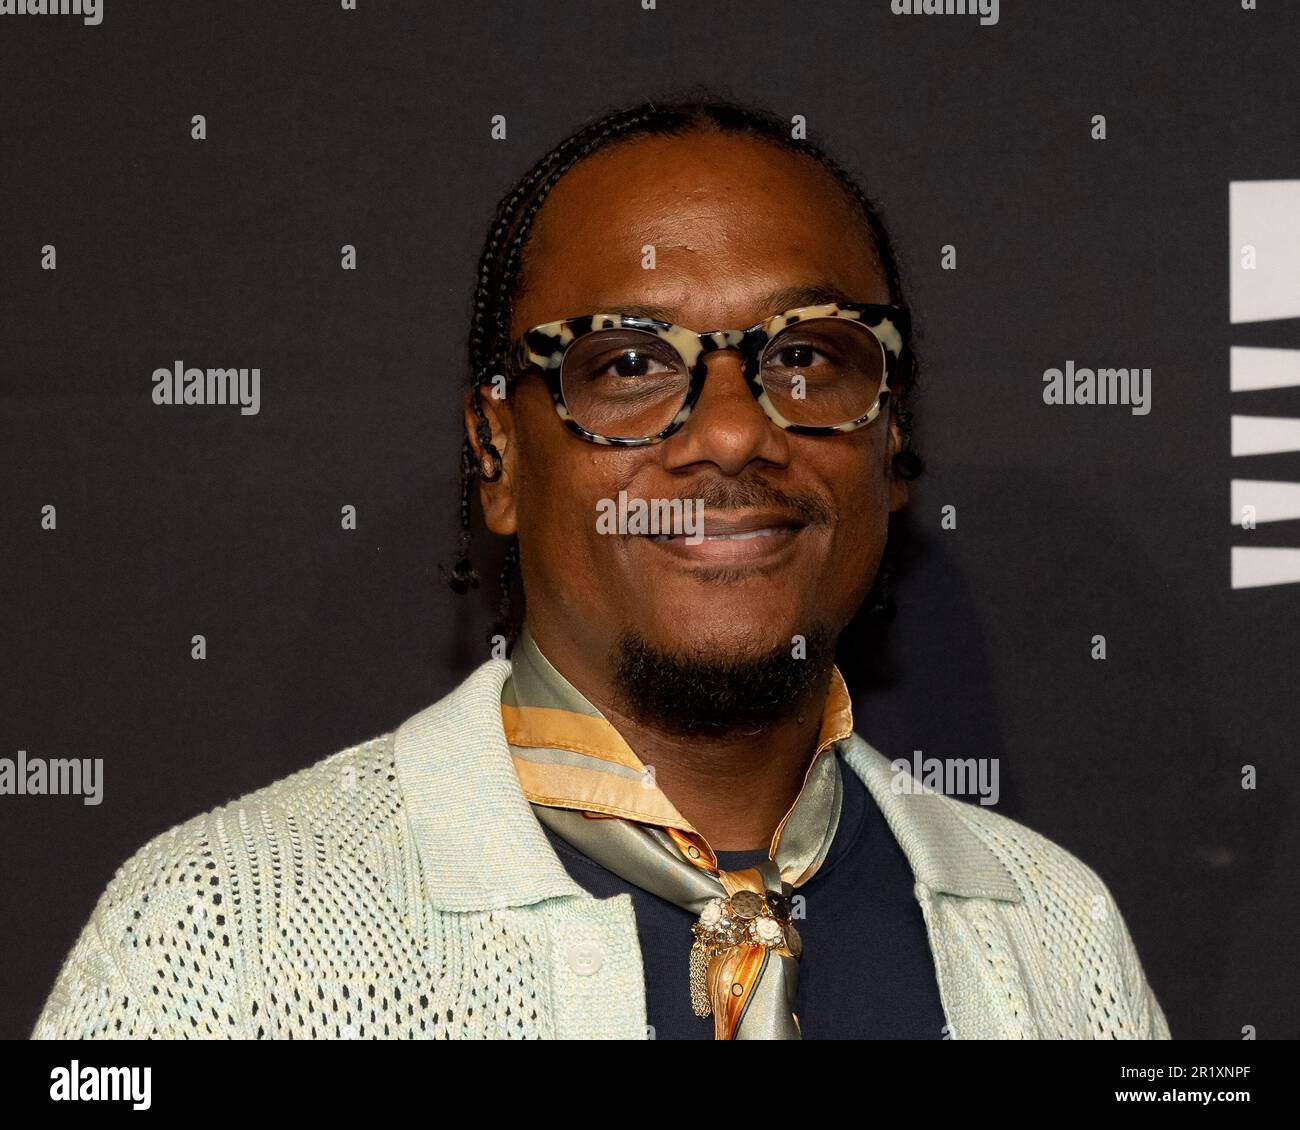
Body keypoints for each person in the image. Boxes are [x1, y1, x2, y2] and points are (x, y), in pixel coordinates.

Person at [32, 96, 1169, 1040]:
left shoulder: (1052, 932)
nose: (733, 431)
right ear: (497, 452)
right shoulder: (219, 935)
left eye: (809, 354)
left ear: (890, 441)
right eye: (628, 362)